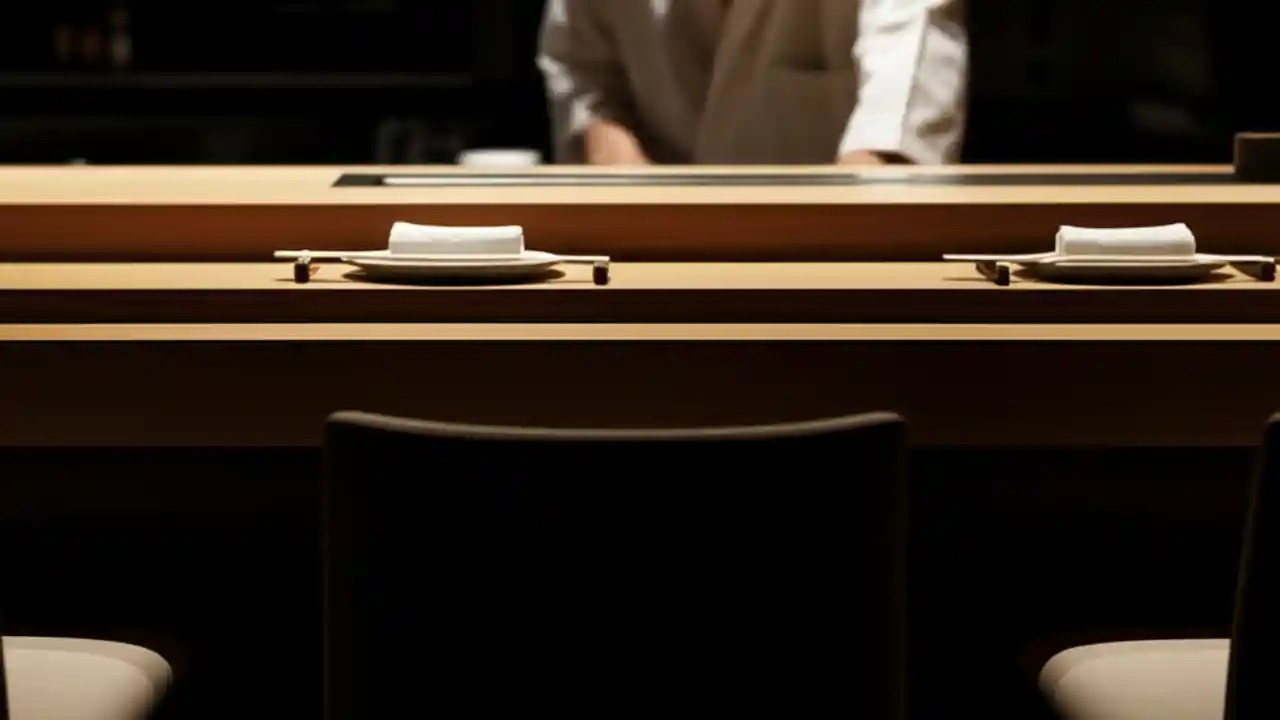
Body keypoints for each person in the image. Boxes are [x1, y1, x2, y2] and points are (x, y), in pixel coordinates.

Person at [537, 0, 968, 166]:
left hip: (824, 272)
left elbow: (903, 96)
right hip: (644, 272)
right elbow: (580, 69)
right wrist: (615, 158)